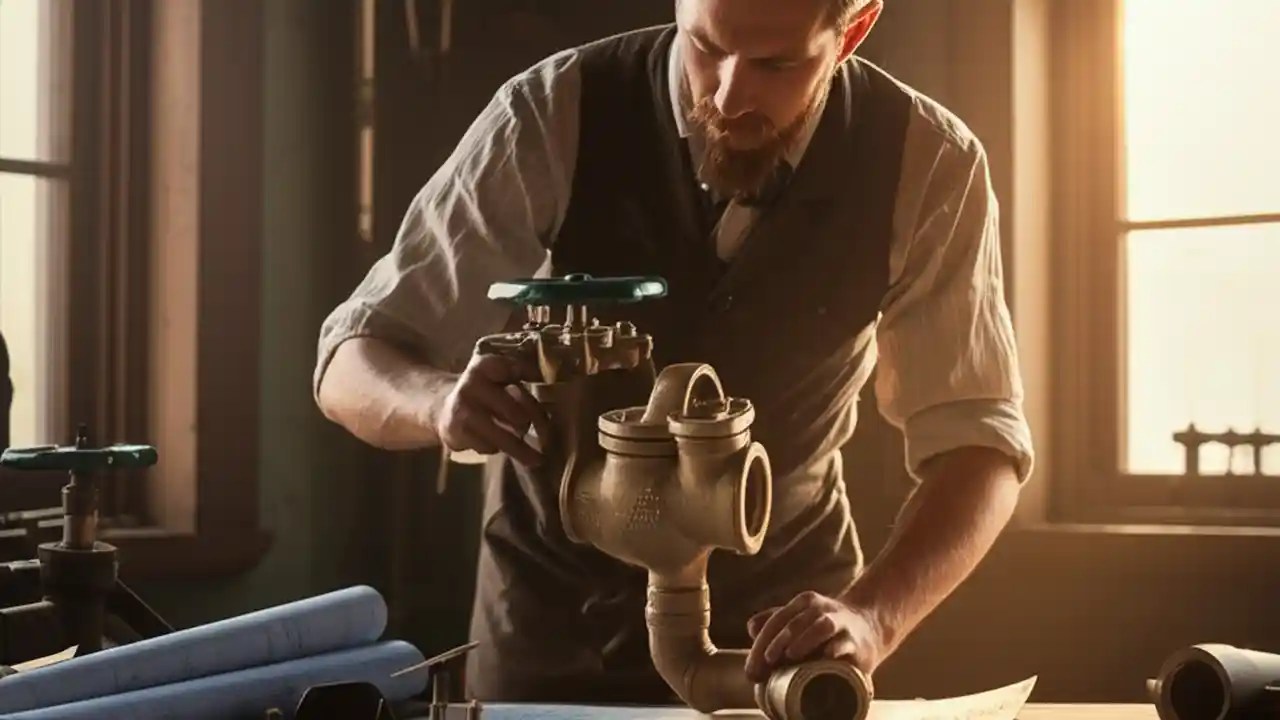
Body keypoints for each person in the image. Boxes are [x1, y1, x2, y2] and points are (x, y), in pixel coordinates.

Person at [314, 0, 1034, 704]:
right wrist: (437, 402)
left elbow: (979, 446)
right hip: (548, 633)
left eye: (776, 63)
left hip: (784, 645)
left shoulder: (928, 159)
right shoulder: (553, 110)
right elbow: (351, 360)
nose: (728, 93)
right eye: (707, 47)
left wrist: (874, 617)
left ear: (854, 29)